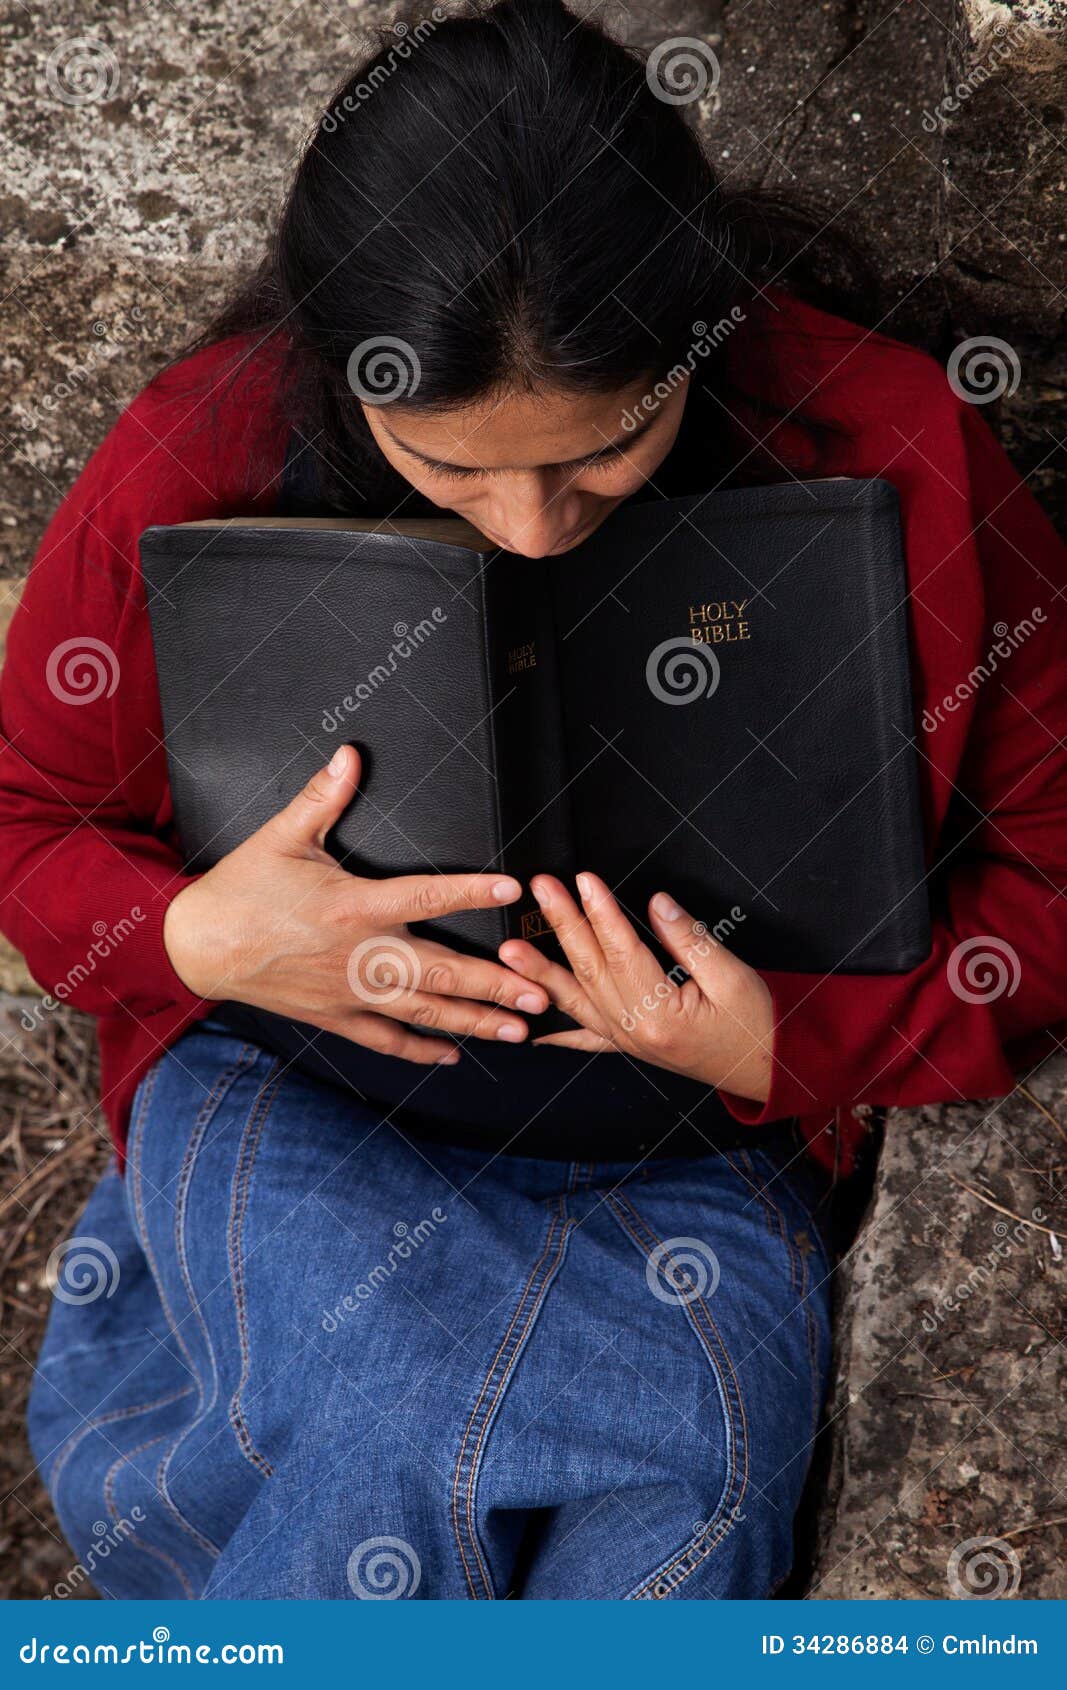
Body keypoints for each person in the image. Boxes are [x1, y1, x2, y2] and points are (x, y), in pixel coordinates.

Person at [3, 0, 1064, 1600]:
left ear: (694, 323)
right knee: (387, 1407)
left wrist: (787, 1044)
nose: (529, 527)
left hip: (697, 1150)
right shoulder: (196, 451)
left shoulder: (894, 442)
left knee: (680, 1517)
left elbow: (1053, 873)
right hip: (296, 1089)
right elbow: (30, 819)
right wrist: (203, 934)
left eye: (603, 448)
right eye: (446, 465)